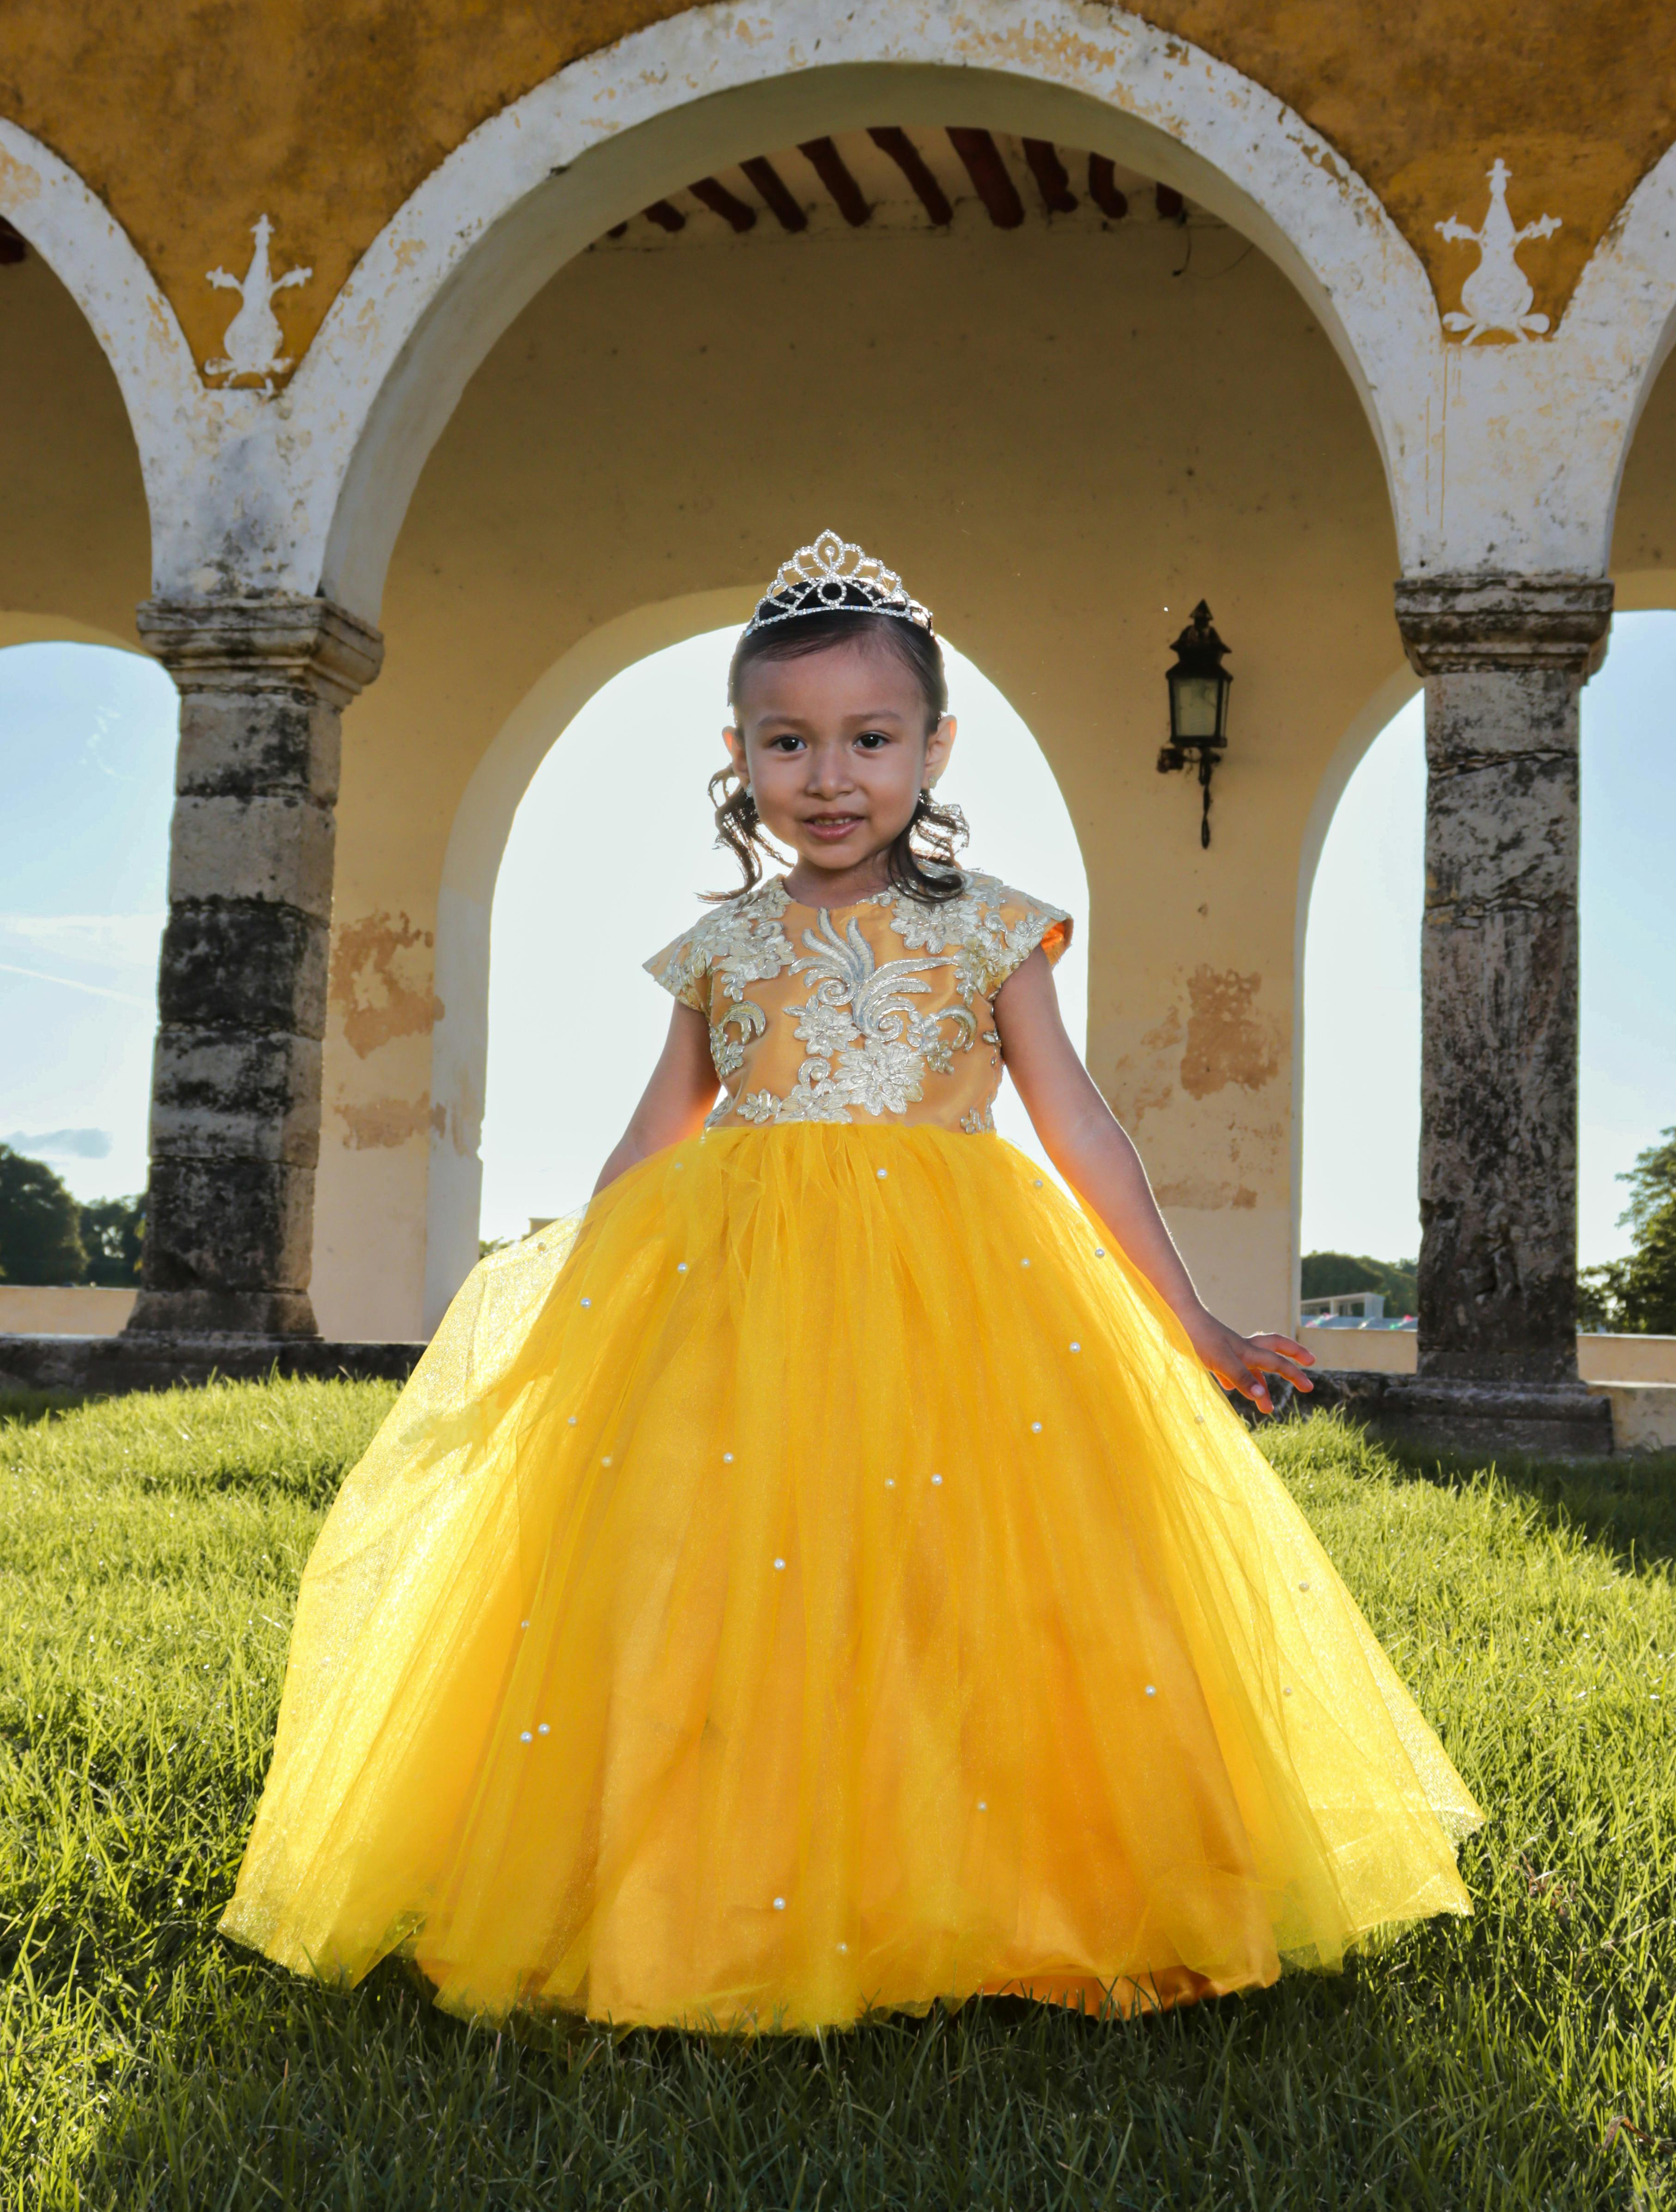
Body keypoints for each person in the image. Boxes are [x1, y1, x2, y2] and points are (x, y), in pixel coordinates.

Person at [221, 532, 1480, 2030]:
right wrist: (572, 1299)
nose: (832, 775)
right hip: (734, 1294)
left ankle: (1007, 1889)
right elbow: (655, 1129)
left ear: (935, 746)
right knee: (721, 1578)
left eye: (871, 738)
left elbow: (1078, 1124)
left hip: (963, 1298)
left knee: (974, 1585)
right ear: (739, 753)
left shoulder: (993, 926)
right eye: (790, 740)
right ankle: (712, 1896)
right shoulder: (722, 945)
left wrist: (1187, 1315)